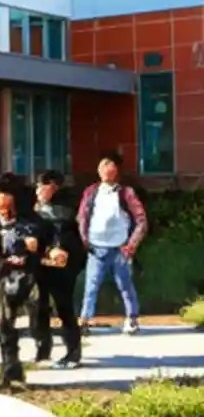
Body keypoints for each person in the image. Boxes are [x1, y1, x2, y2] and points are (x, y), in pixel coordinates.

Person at [0, 173, 54, 388]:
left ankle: (43, 340)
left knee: (37, 319)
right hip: (5, 276)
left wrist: (36, 246)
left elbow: (45, 245)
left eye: (0, 199)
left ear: (13, 198)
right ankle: (10, 368)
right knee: (4, 325)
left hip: (32, 276)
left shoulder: (34, 222)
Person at [76, 154, 147, 335]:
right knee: (91, 286)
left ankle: (132, 318)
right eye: (103, 167)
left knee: (125, 285)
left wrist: (131, 245)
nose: (106, 171)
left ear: (116, 172)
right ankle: (85, 320)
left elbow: (141, 220)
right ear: (99, 171)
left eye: (110, 167)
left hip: (119, 247)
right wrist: (85, 239)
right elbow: (82, 216)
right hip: (96, 248)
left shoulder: (126, 193)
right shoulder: (91, 192)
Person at [31, 170, 83, 369]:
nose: (38, 190)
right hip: (39, 264)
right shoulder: (33, 210)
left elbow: (71, 239)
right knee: (38, 305)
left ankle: (73, 351)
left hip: (62, 266)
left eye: (41, 186)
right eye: (37, 186)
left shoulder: (66, 211)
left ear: (53, 187)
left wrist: (60, 251)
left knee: (64, 306)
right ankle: (43, 347)